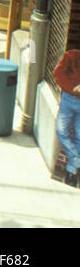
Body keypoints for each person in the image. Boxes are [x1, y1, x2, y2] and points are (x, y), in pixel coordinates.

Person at [54, 49, 80, 188]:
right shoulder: (71, 56)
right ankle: (76, 160)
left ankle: (71, 171)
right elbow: (57, 73)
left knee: (79, 136)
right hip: (68, 99)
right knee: (61, 131)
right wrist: (73, 88)